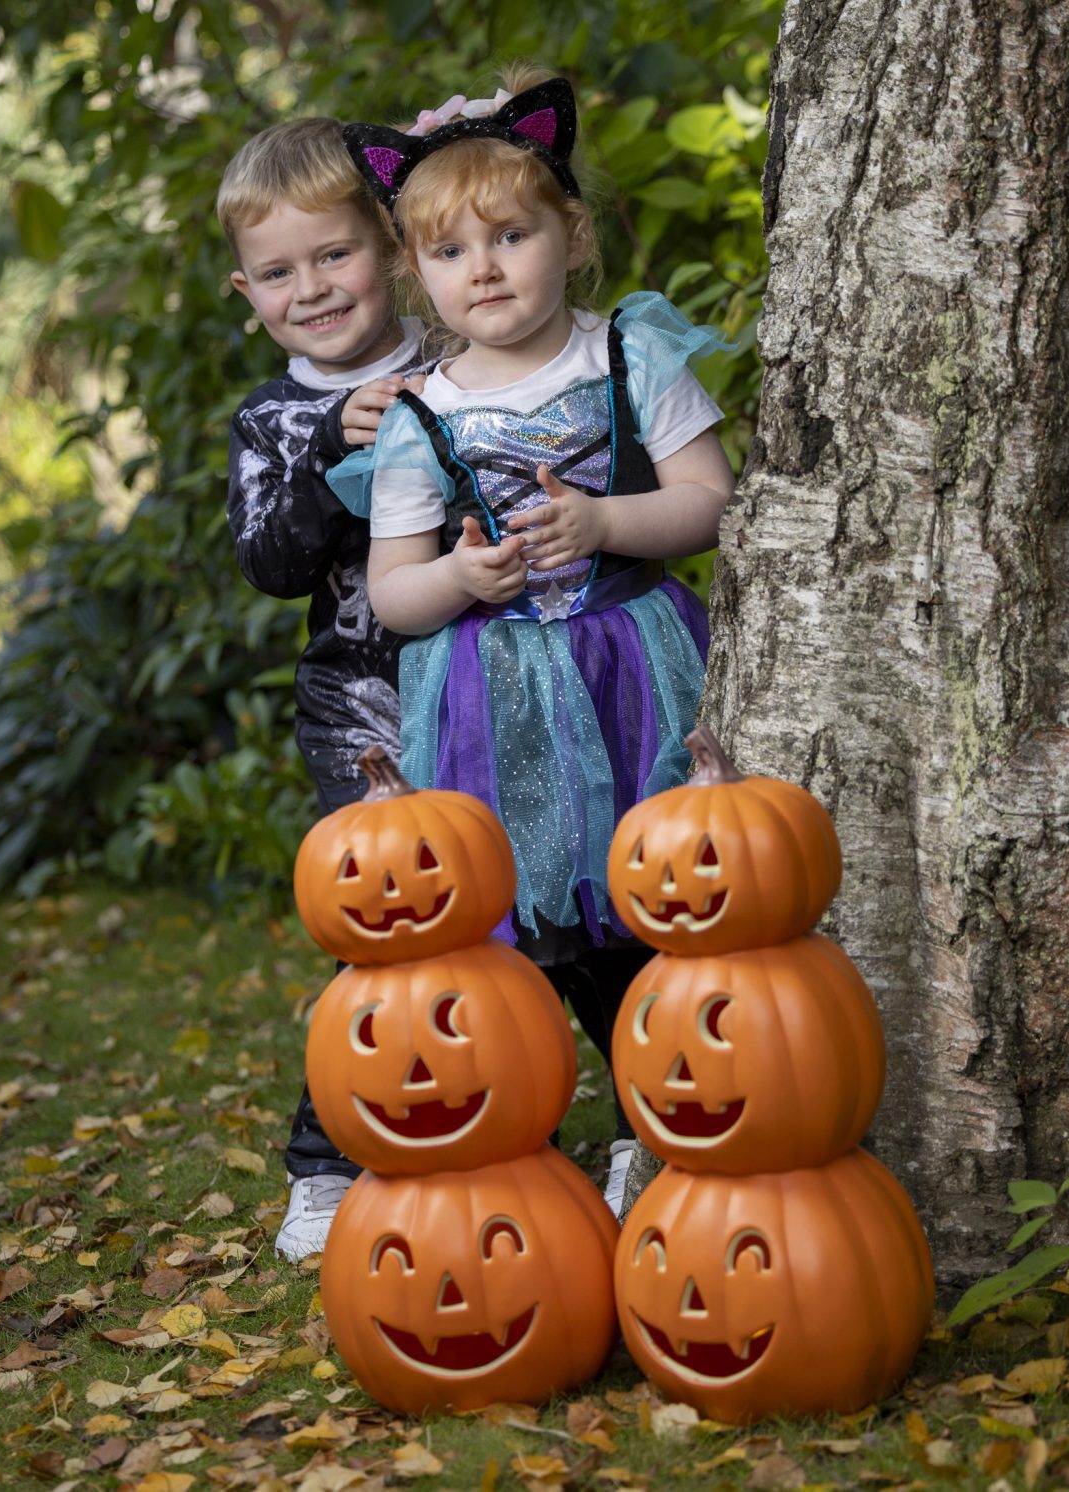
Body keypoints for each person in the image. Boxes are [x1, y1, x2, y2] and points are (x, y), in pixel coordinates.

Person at [328, 70, 736, 1215]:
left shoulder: (626, 357)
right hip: (487, 693)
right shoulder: (419, 416)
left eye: (512, 235)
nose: (487, 268)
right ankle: (529, 1133)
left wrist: (607, 520)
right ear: (418, 273)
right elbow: (393, 592)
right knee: (520, 930)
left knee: (653, 902)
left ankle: (662, 1115)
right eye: (453, 253)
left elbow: (713, 499)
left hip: (629, 665)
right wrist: (460, 574)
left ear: (572, 235)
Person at [217, 116, 432, 1260]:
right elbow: (269, 563)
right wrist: (333, 467)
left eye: (335, 255)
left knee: (535, 910)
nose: (313, 287)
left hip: (481, 677)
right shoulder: (272, 419)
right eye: (279, 271)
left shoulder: (455, 361)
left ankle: (531, 1118)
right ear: (245, 289)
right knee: (383, 933)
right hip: (359, 706)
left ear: (393, 250)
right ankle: (325, 1160)